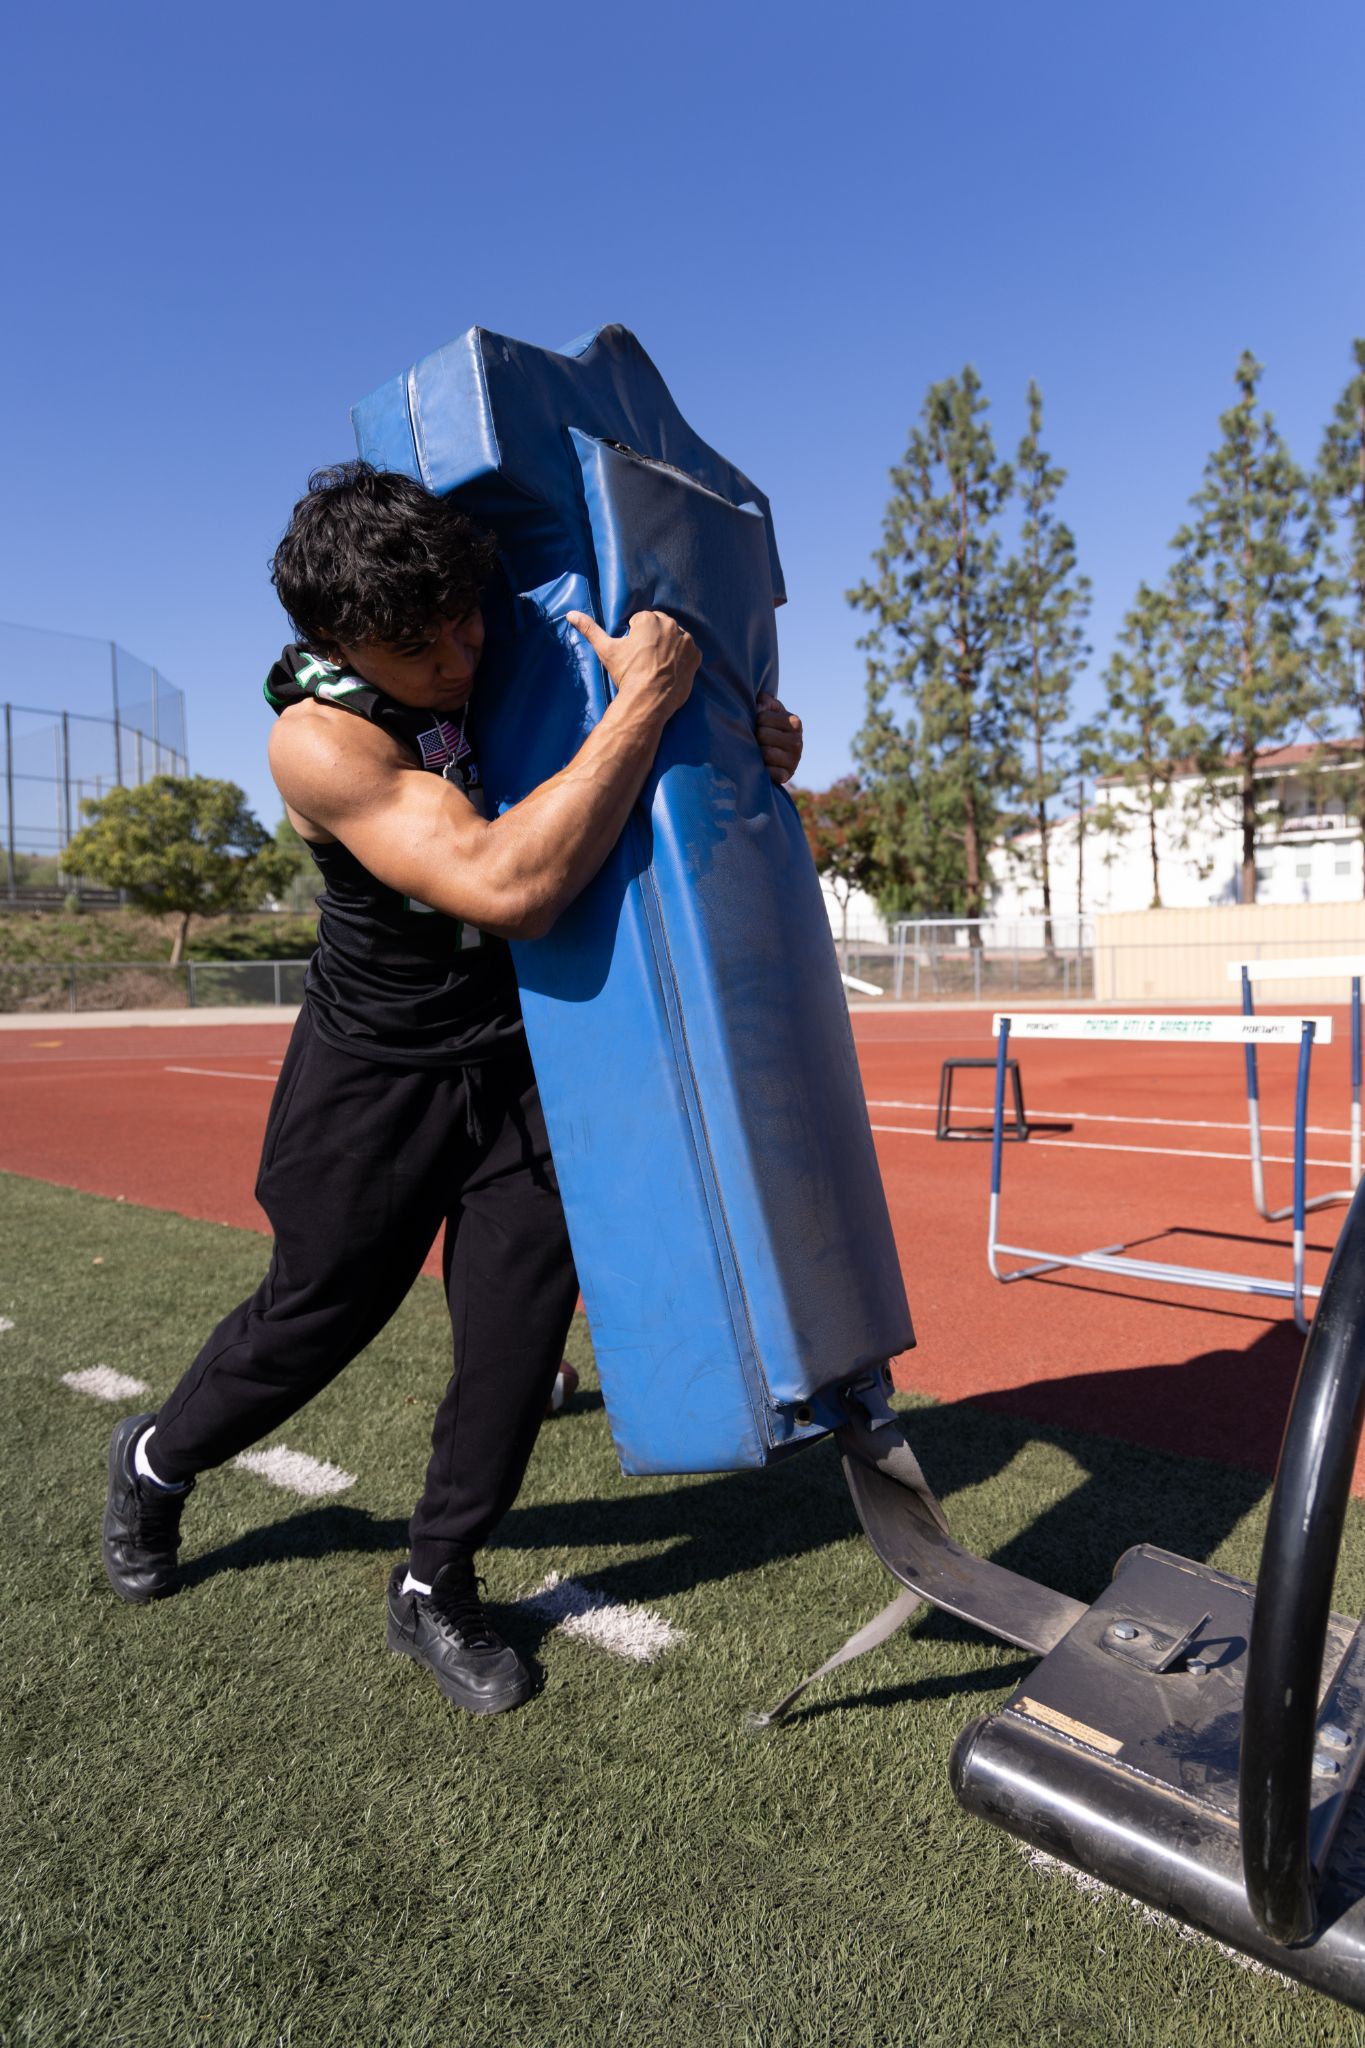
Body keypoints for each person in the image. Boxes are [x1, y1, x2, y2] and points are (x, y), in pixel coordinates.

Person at [101, 461, 803, 1715]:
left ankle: (437, 1580)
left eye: (470, 620)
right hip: (378, 1073)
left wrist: (749, 744)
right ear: (337, 640)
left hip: (525, 1051)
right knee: (316, 1315)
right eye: (420, 647)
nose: (464, 656)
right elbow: (508, 882)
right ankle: (157, 1459)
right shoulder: (316, 741)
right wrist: (648, 707)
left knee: (515, 1330)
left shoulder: (493, 634)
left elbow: (629, 758)